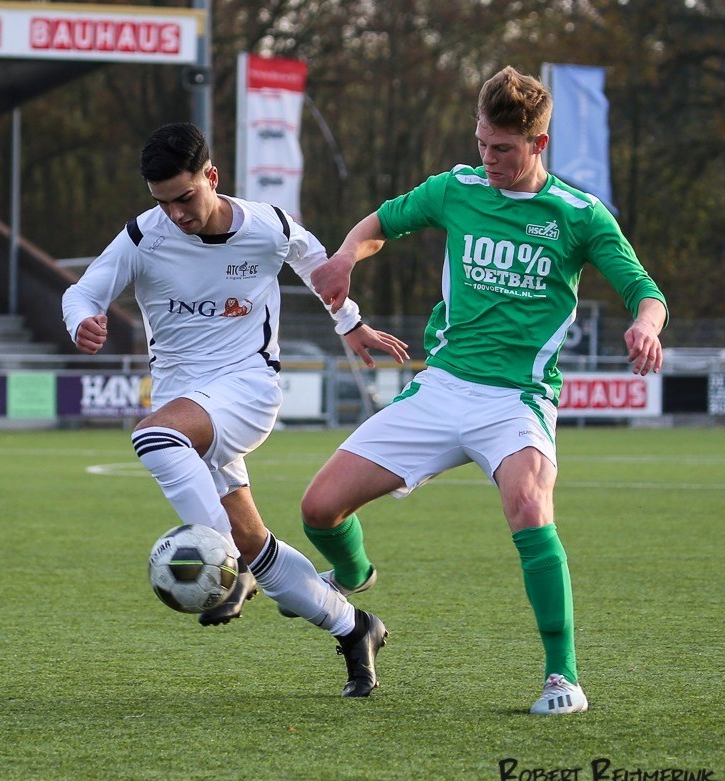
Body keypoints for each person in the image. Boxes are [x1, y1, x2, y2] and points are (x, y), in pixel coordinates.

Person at [299, 66, 668, 714]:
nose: (489, 160)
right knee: (317, 509)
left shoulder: (579, 217)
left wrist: (644, 325)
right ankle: (356, 575)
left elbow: (645, 291)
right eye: (482, 144)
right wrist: (346, 256)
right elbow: (380, 222)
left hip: (516, 400)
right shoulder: (456, 189)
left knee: (529, 507)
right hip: (442, 386)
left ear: (539, 145)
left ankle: (563, 678)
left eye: (503, 149)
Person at [62, 122, 410, 697]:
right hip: (187, 401)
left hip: (247, 388)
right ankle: (355, 628)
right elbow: (83, 292)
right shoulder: (143, 237)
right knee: (257, 547)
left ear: (212, 177)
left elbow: (316, 261)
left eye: (185, 197)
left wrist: (352, 325)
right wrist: (83, 321)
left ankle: (226, 565)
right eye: (162, 202)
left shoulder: (265, 225)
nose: (175, 213)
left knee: (155, 438)